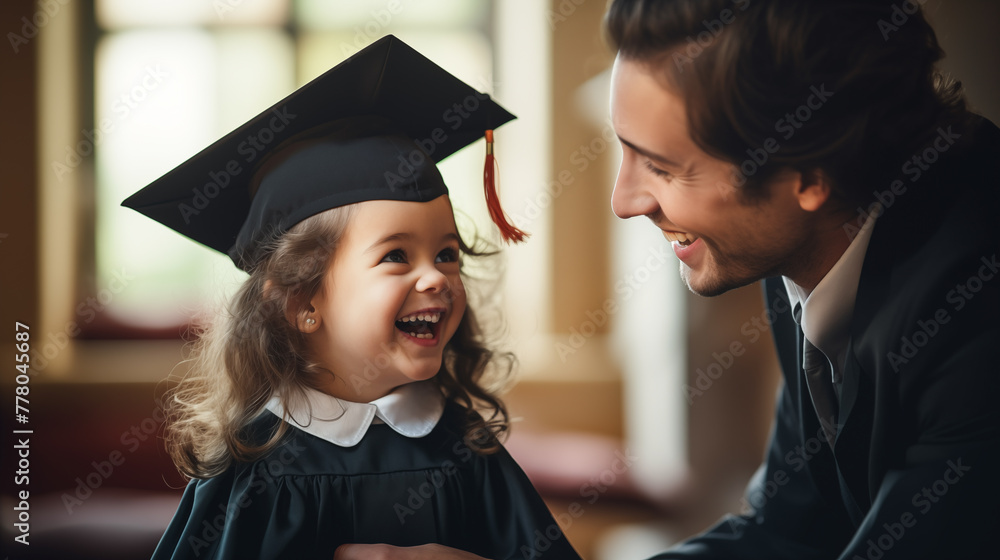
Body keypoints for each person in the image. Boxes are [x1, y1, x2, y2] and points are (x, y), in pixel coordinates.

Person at [334, 1, 1000, 559]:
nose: (625, 201)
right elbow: (789, 528)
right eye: (624, 151)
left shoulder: (975, 297)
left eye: (661, 167)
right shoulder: (797, 239)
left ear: (809, 176)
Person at [124, 35, 580, 560]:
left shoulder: (465, 450)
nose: (436, 278)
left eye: (448, 254)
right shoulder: (255, 471)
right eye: (395, 257)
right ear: (300, 305)